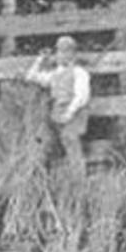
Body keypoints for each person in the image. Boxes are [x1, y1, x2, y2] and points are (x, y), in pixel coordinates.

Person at [25, 36, 91, 183]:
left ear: (73, 54)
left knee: (70, 140)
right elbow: (31, 77)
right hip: (57, 114)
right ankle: (41, 180)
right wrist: (40, 60)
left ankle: (79, 180)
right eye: (60, 51)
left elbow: (82, 96)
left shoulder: (79, 72)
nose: (62, 55)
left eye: (67, 51)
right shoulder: (55, 74)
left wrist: (69, 113)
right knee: (46, 142)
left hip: (74, 114)